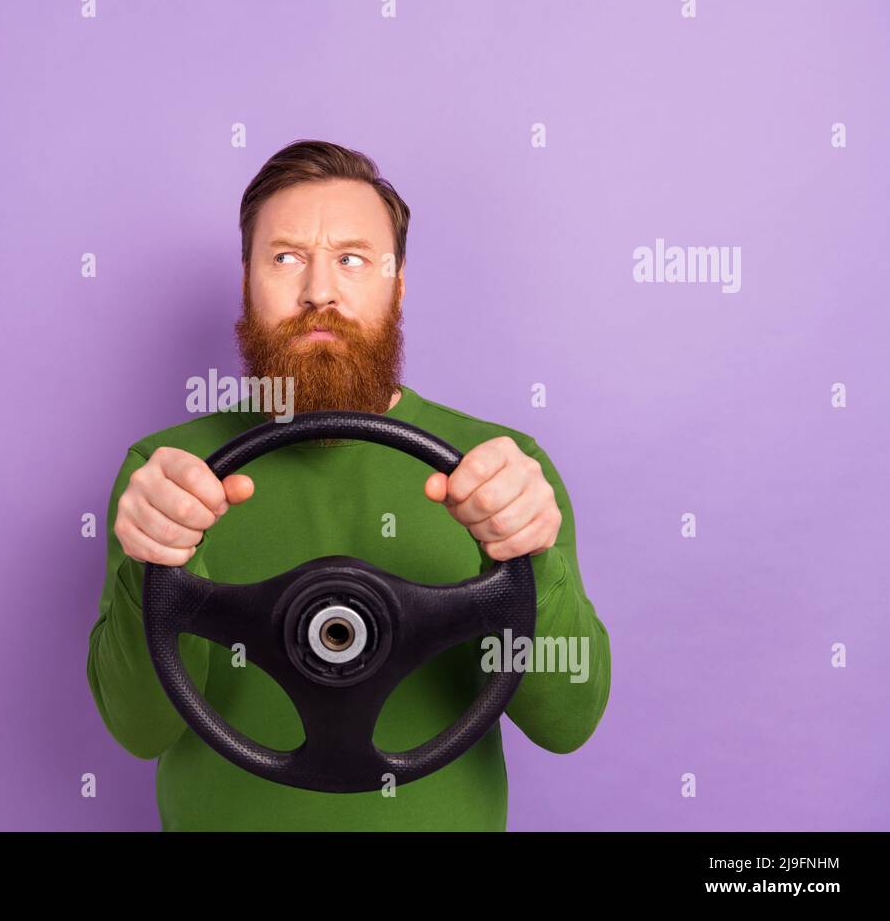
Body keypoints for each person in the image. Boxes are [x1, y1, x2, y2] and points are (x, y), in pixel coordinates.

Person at [86, 139, 611, 830]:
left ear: (398, 284)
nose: (319, 291)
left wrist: (529, 557)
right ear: (246, 279)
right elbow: (137, 728)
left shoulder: (499, 470)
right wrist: (158, 558)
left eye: (352, 259)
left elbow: (566, 720)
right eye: (285, 258)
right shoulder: (168, 475)